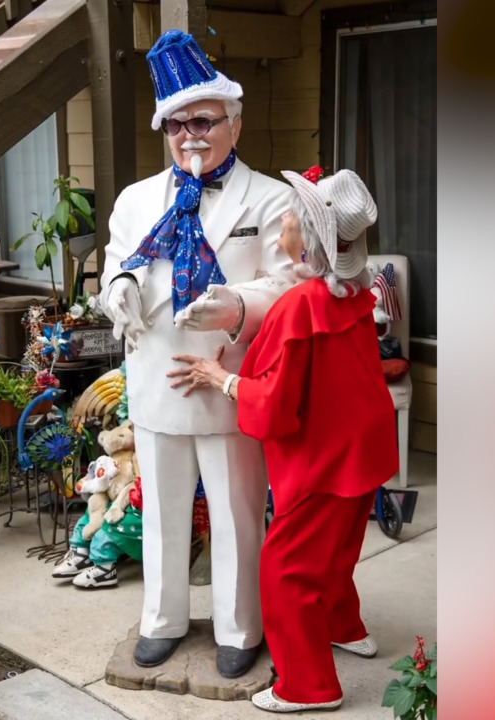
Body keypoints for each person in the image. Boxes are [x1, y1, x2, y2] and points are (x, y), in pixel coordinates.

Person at [95, 29, 295, 678]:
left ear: (234, 123)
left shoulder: (270, 200)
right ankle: (162, 619)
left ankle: (241, 629)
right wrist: (117, 290)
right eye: (176, 125)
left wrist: (238, 304)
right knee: (162, 514)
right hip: (155, 380)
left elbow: (291, 285)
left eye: (204, 121)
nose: (191, 137)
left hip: (230, 383)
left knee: (238, 516)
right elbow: (114, 268)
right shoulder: (134, 201)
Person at [168, 167, 398, 712]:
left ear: (311, 239)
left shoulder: (299, 305)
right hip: (364, 447)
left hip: (325, 458)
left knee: (286, 570)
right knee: (338, 549)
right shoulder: (352, 293)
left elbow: (272, 405)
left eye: (294, 216)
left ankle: (308, 687)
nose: (285, 220)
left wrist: (219, 378)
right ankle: (345, 625)